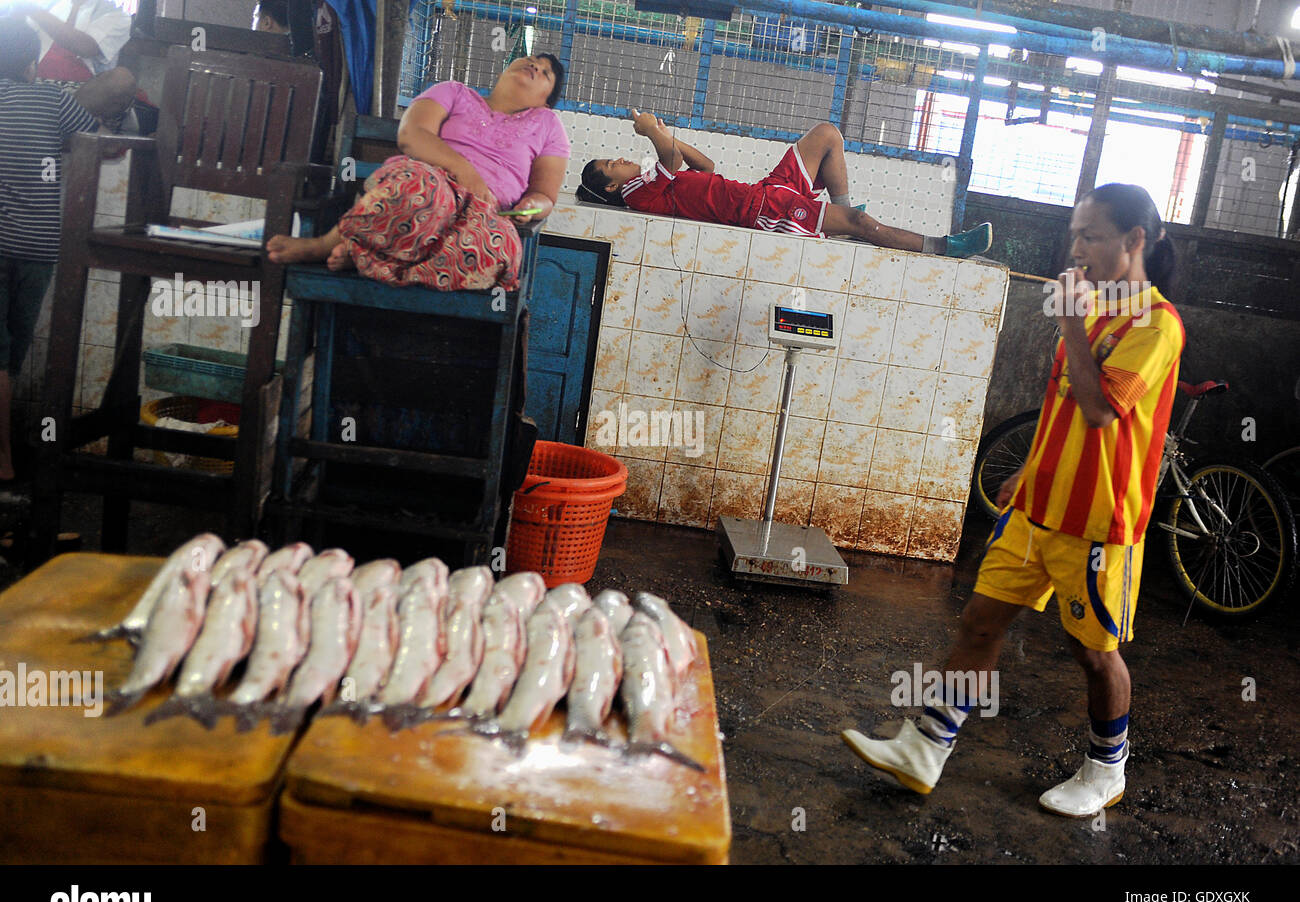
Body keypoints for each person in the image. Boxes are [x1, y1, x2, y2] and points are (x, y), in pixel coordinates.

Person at [842, 183, 1185, 818]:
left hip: (1097, 524)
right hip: (1036, 509)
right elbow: (1061, 406)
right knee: (979, 622)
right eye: (1075, 233)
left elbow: (1100, 407)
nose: (1076, 247)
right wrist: (1028, 468)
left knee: (1094, 653)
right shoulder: (1092, 309)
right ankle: (925, 747)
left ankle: (1107, 768)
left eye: (1092, 236)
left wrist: (1069, 323)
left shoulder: (1156, 324)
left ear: (1135, 241)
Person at [268, 54, 570, 292]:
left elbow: (544, 195)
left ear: (546, 100)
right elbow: (411, 134)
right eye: (531, 60)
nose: (535, 66)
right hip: (432, 184)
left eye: (546, 72)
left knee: (494, 251)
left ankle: (366, 257)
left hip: (484, 212)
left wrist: (533, 207)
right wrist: (466, 172)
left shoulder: (549, 126)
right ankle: (324, 245)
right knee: (420, 192)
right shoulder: (453, 92)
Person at [580, 111, 992, 257]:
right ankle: (946, 247)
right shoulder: (638, 196)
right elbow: (671, 157)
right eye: (610, 166)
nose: (618, 160)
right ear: (613, 188)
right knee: (863, 226)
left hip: (765, 191)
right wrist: (652, 132)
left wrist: (665, 134)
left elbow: (703, 165)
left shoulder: (655, 185)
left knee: (827, 134)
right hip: (762, 211)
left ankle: (844, 215)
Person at [0, 19, 100, 482]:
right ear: (30, 63)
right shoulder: (53, 99)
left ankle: (3, 465)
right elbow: (91, 135)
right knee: (11, 356)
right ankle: (7, 463)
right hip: (39, 249)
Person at [10, 0, 136, 122]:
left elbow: (85, 47)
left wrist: (33, 10)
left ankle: (57, 120)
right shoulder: (47, 5)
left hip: (83, 94)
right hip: (32, 86)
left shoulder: (118, 15)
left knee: (121, 80)